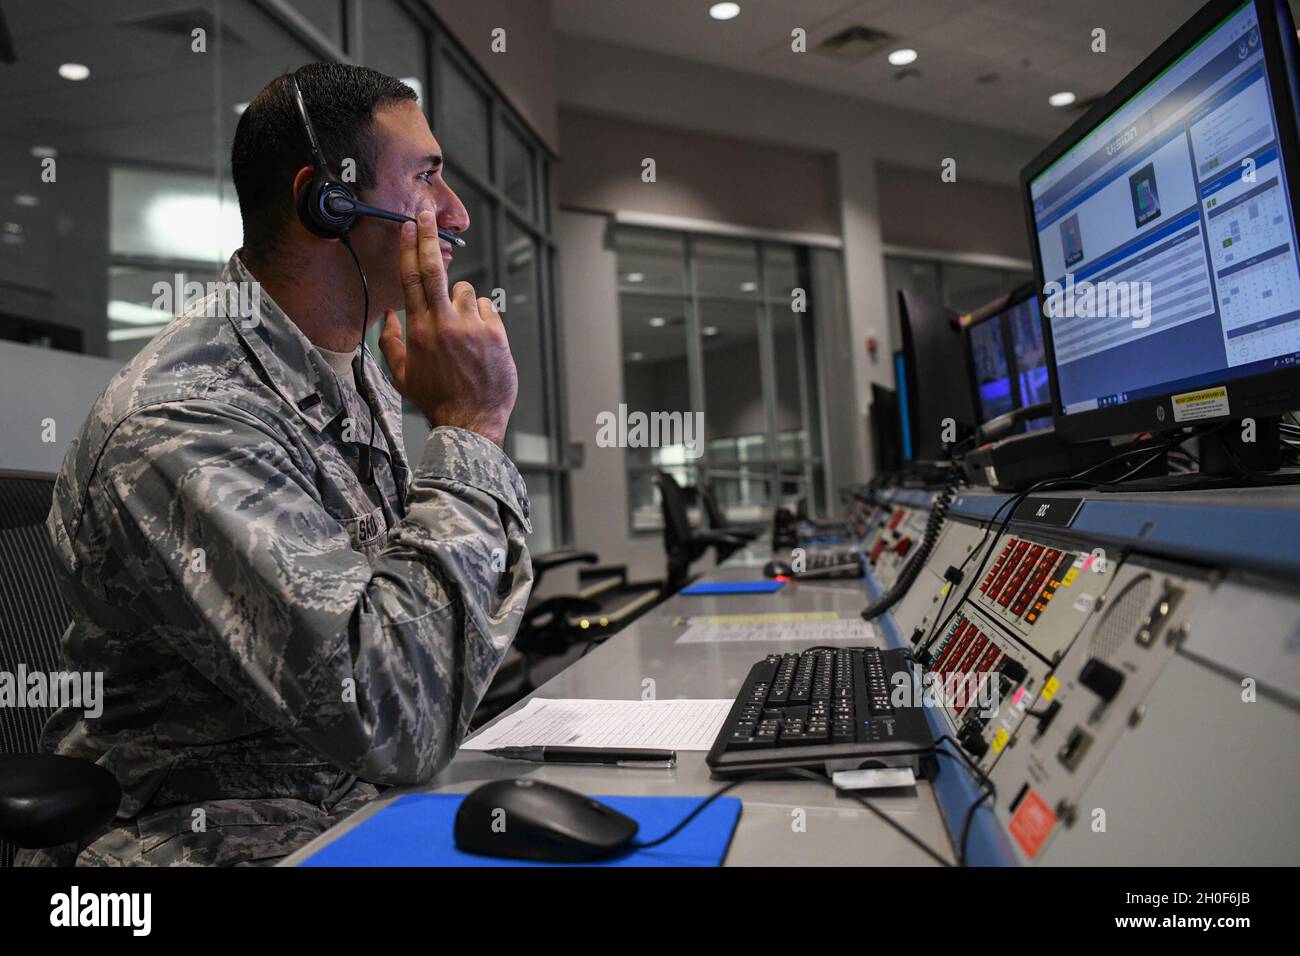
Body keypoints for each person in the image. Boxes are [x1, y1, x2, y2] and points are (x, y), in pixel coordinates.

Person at [18, 63, 533, 866]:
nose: (457, 213)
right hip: (207, 831)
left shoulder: (359, 371)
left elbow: (428, 649)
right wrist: (471, 431)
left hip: (348, 800)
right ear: (326, 200)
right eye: (427, 177)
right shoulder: (187, 421)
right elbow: (393, 715)